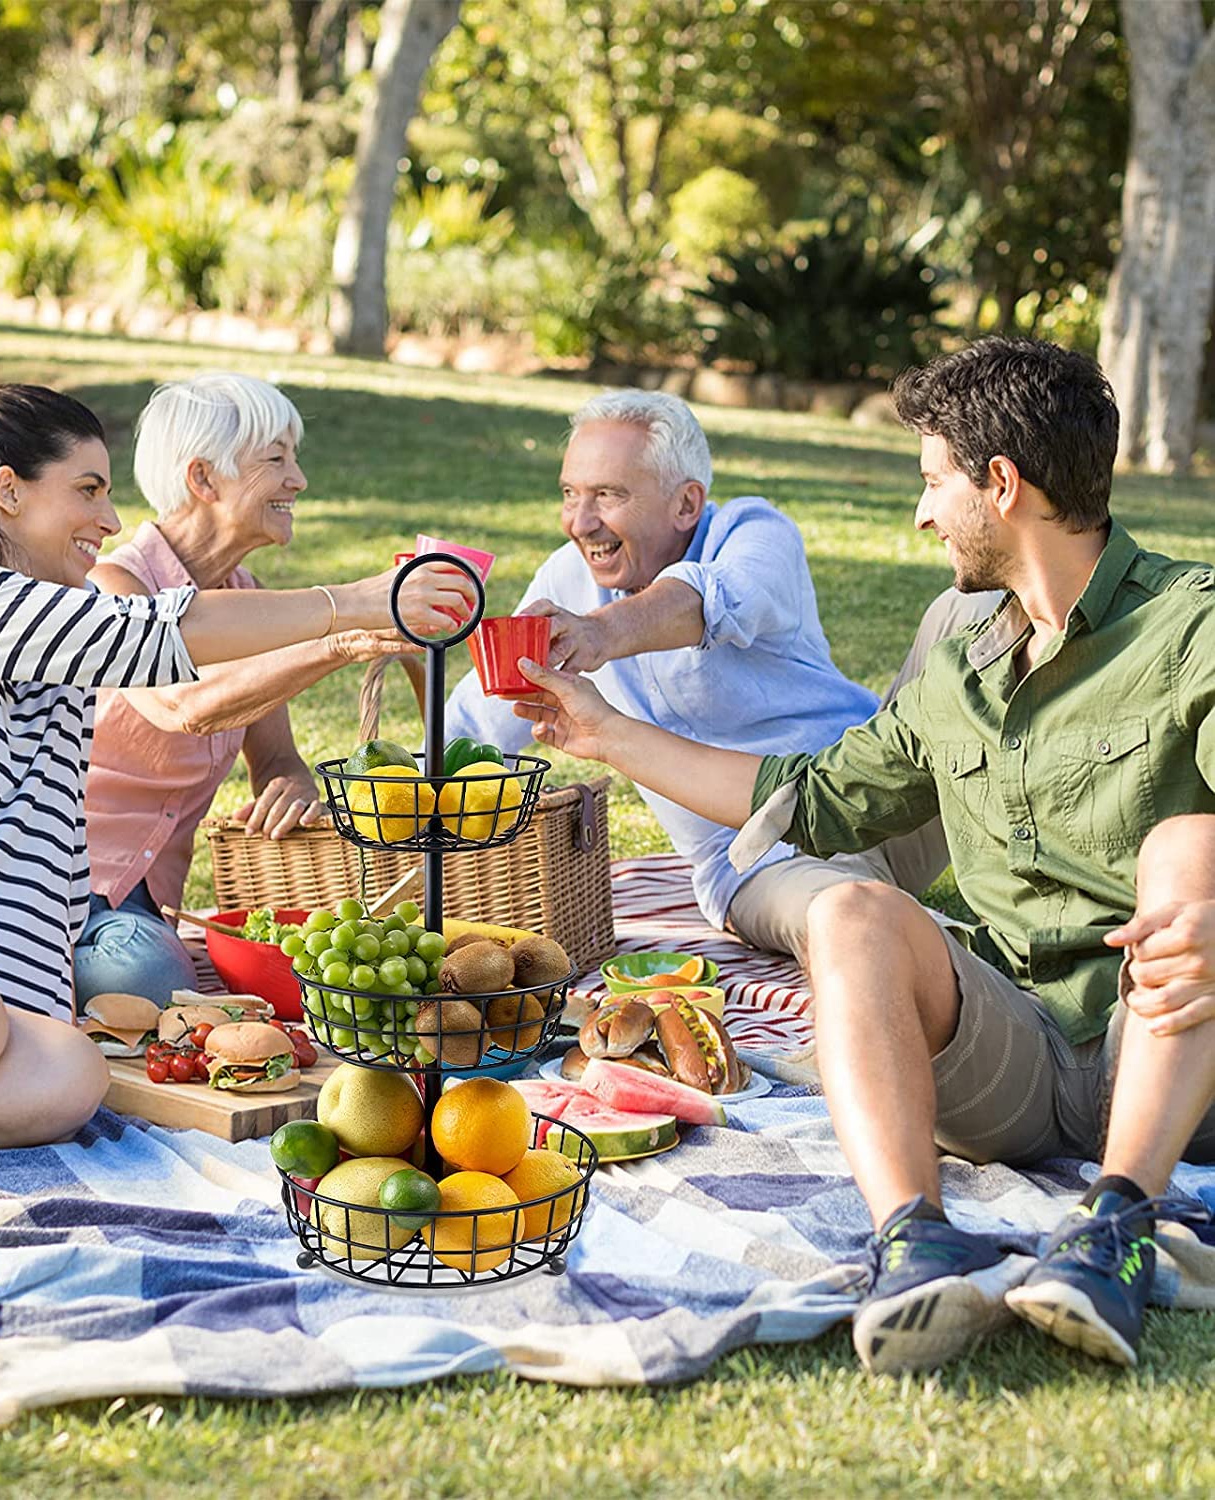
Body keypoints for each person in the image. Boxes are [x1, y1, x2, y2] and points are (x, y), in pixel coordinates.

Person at [511, 339, 1215, 1376]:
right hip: (1018, 1047)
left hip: (1162, 1045)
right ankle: (915, 1244)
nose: (923, 513)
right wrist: (601, 733)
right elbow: (814, 799)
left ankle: (1115, 1227)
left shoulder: (1192, 626)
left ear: (1003, 486)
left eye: (934, 483)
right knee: (847, 912)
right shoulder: (965, 654)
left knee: (1187, 844)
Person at [0, 385, 470, 1158]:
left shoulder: (61, 680)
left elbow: (48, 883)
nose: (110, 522)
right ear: (8, 490)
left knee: (66, 1072)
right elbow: (147, 636)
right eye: (87, 491)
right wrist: (356, 603)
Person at [444, 388, 996, 964]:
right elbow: (478, 723)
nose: (579, 522)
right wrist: (399, 794)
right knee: (859, 926)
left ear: (686, 504)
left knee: (974, 610)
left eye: (608, 495)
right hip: (760, 861)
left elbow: (712, 601)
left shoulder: (756, 533)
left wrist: (599, 632)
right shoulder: (567, 581)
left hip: (880, 792)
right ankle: (1001, 971)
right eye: (570, 493)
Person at [75, 373, 417, 1006]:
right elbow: (184, 705)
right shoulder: (114, 585)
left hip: (152, 900)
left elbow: (275, 756)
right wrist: (338, 640)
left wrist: (291, 781)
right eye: (276, 459)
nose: (299, 479)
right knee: (147, 982)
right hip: (69, 888)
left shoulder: (244, 592)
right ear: (204, 480)